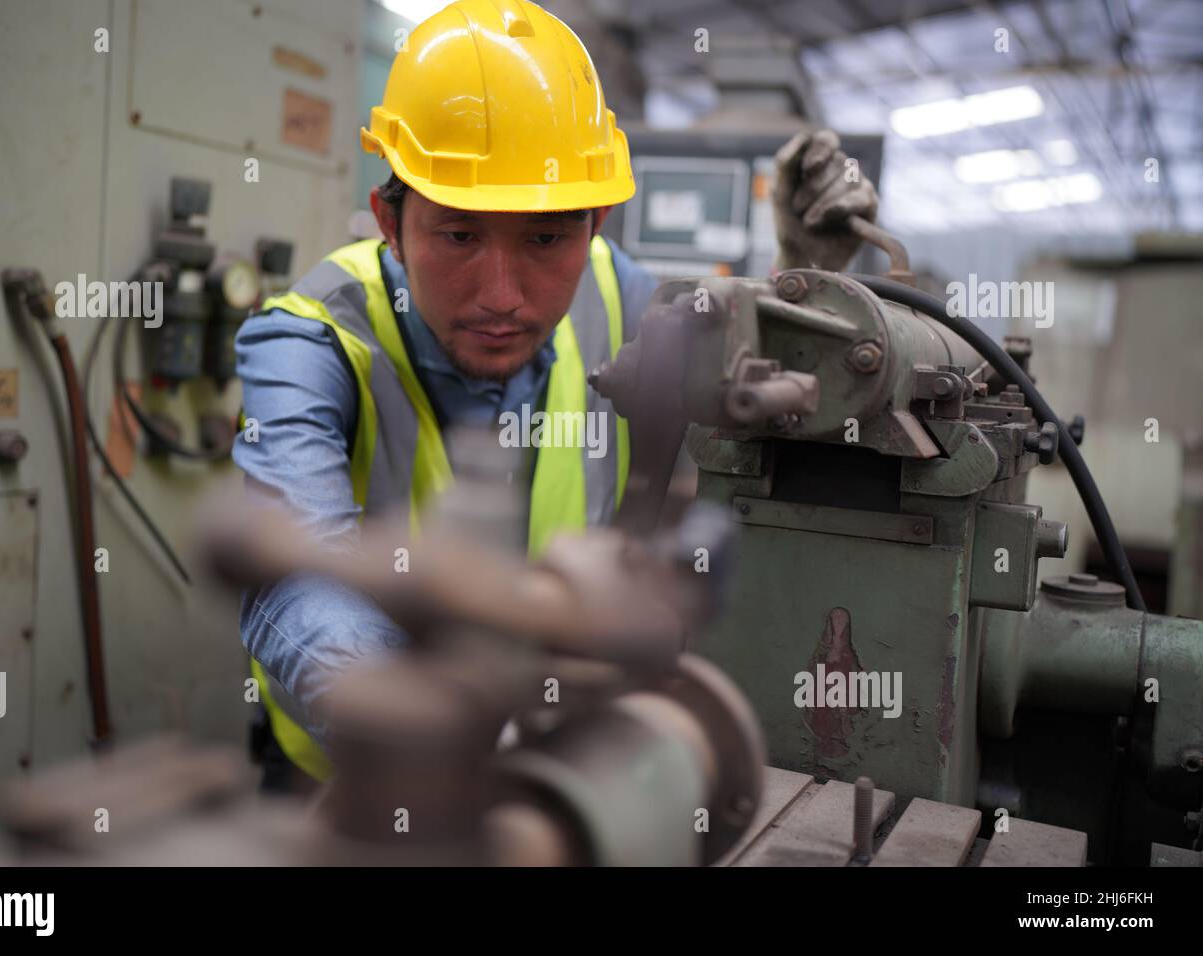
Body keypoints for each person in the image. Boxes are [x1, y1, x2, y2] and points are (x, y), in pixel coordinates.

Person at [233, 0, 878, 788]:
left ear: (597, 224)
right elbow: (294, 581)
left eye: (545, 237)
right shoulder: (309, 339)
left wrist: (811, 293)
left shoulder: (619, 297)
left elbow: (762, 368)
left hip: (564, 774)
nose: (503, 294)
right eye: (460, 235)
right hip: (342, 790)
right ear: (390, 221)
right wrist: (433, 734)